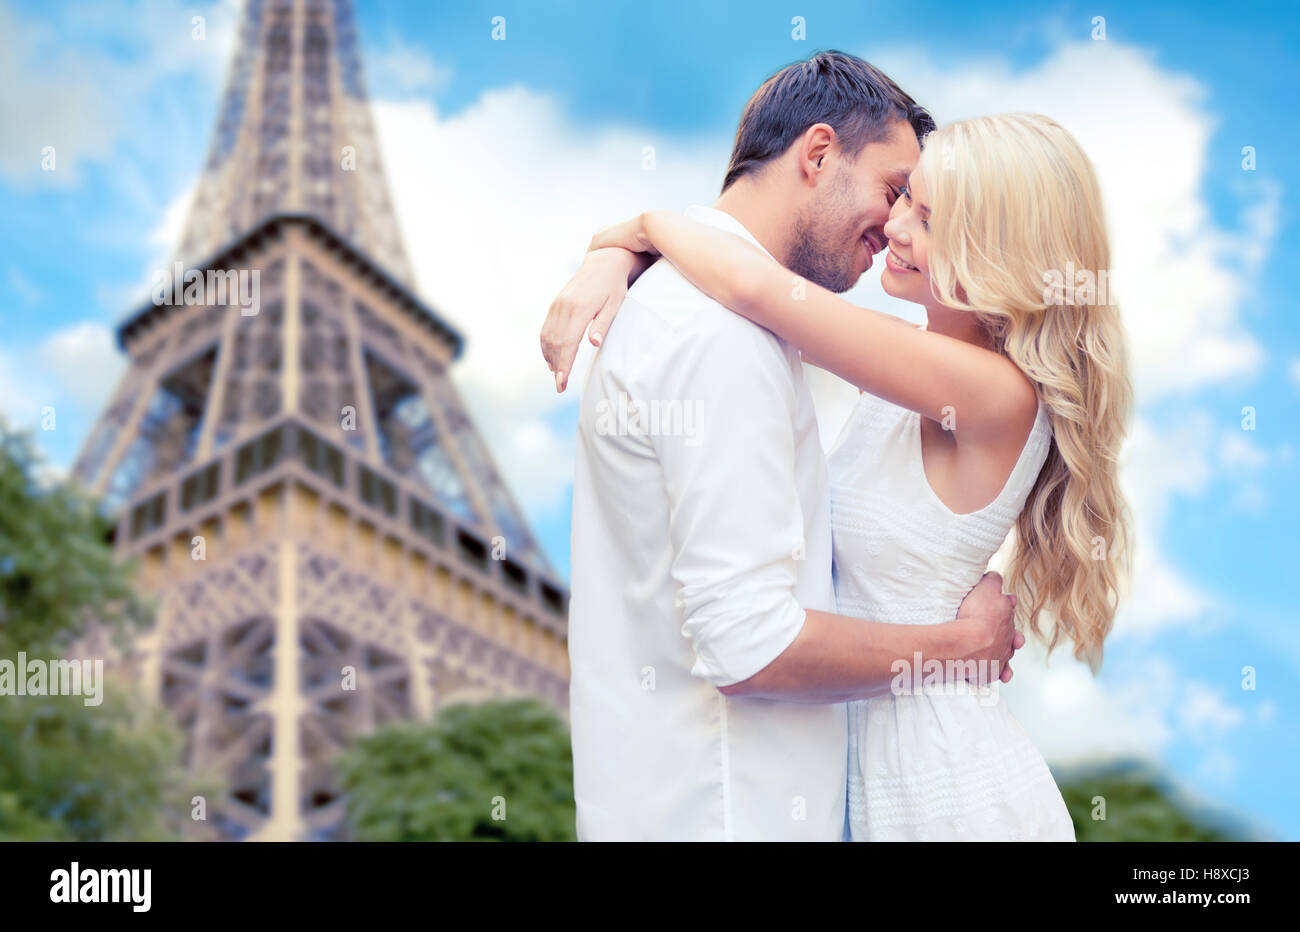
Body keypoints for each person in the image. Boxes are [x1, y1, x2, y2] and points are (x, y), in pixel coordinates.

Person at [543, 109, 1133, 841]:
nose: (897, 226)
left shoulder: (992, 392)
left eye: (931, 216)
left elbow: (758, 292)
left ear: (1000, 251)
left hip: (943, 790)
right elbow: (751, 300)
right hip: (864, 768)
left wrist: (638, 230)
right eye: (905, 197)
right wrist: (619, 258)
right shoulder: (908, 366)